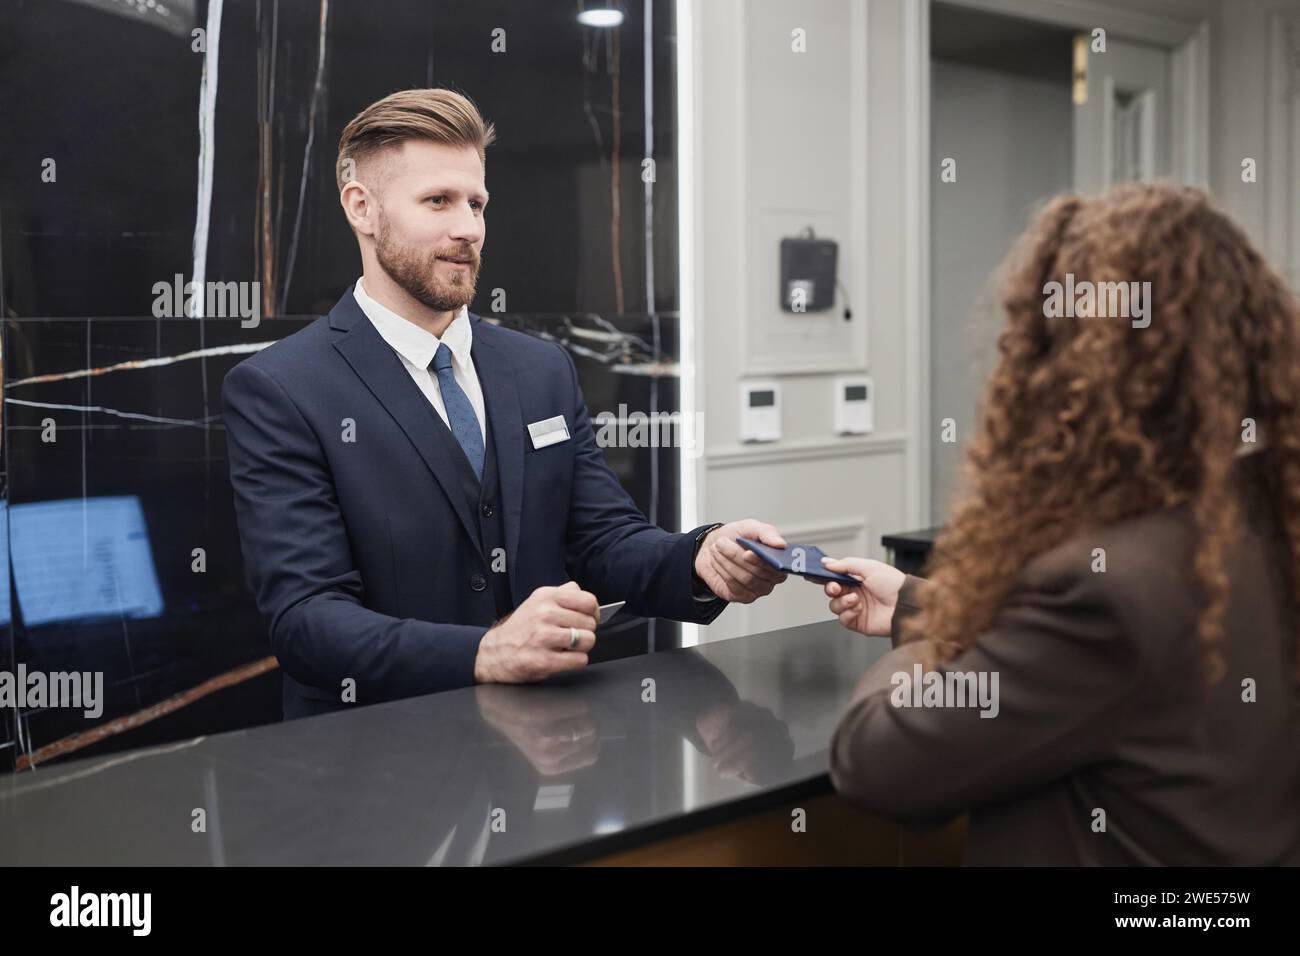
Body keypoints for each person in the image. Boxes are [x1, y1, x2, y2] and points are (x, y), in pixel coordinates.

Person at [223, 88, 787, 720]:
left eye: (476, 203)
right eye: (437, 200)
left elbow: (602, 539)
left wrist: (700, 558)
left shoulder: (540, 368)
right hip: (373, 762)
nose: (468, 227)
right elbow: (308, 622)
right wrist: (486, 653)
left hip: (544, 748)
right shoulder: (281, 388)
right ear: (363, 208)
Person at [818, 183, 1300, 865]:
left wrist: (932, 643)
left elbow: (877, 762)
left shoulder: (1107, 591)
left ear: (1074, 367)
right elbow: (1077, 671)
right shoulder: (1266, 520)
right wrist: (920, 605)